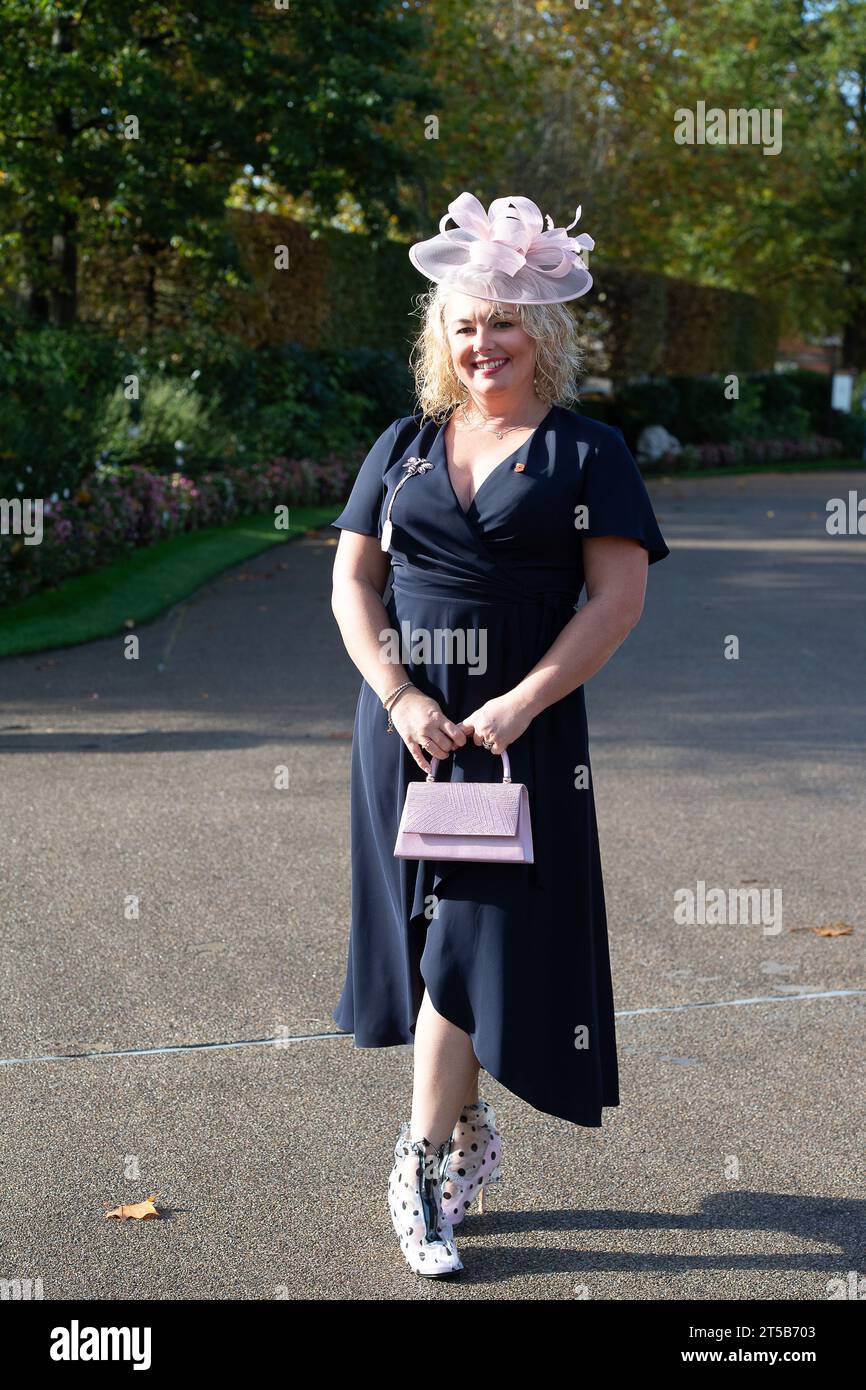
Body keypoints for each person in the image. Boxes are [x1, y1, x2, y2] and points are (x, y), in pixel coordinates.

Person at [329, 192, 670, 1278]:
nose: (483, 343)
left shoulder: (586, 451)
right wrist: (395, 694)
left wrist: (519, 703)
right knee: (429, 944)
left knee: (466, 944)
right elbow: (352, 579)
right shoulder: (403, 443)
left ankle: (421, 1161)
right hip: (405, 729)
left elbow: (613, 600)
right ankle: (468, 1135)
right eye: (464, 324)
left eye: (503, 322)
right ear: (443, 338)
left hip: (517, 736)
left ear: (543, 334)